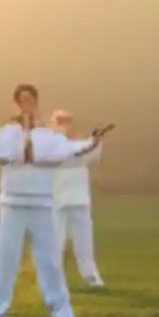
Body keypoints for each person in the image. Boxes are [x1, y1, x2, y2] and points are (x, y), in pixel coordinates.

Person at [0, 84, 113, 317]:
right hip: (12, 203)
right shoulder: (6, 133)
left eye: (30, 100)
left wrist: (93, 140)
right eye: (22, 100)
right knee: (5, 260)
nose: (27, 104)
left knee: (50, 261)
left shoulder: (46, 136)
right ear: (16, 104)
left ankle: (62, 312)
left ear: (36, 103)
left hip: (42, 202)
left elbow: (70, 150)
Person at [49, 109, 110, 287]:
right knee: (55, 243)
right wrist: (92, 141)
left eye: (67, 121)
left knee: (84, 243)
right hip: (57, 200)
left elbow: (92, 155)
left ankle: (91, 276)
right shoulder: (50, 147)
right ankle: (52, 278)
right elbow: (71, 153)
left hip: (80, 199)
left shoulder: (81, 145)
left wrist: (97, 139)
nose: (65, 126)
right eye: (60, 121)